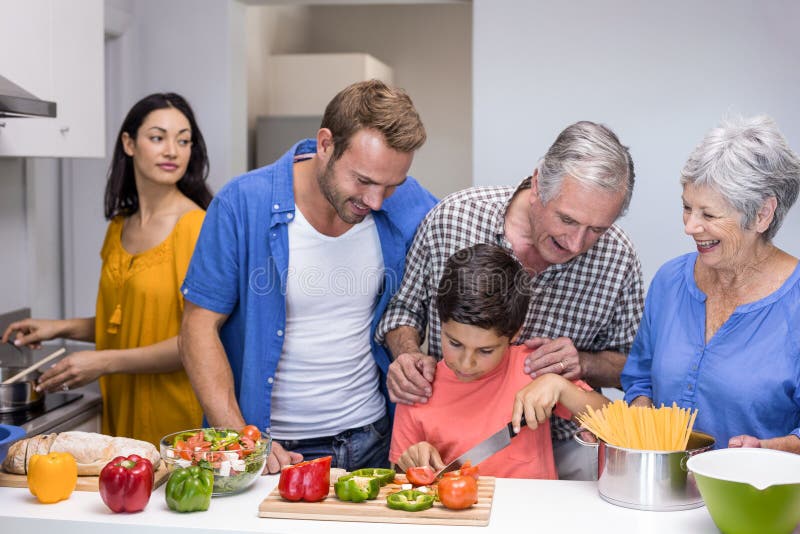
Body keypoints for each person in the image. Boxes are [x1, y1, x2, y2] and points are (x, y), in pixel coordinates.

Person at [178, 80, 438, 474]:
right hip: (273, 451)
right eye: (363, 180)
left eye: (390, 186)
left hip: (374, 442)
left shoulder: (409, 200)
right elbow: (197, 328)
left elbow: (455, 274)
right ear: (325, 145)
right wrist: (240, 442)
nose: (375, 200)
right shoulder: (242, 204)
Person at [377, 121, 644, 480]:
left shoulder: (618, 258)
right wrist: (409, 358)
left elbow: (634, 370)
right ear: (537, 186)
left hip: (570, 445)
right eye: (567, 219)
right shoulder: (454, 219)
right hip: (449, 446)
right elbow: (403, 310)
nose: (578, 243)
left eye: (597, 229)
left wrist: (577, 367)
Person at [1, 93, 213, 446]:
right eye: (158, 137)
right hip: (121, 412)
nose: (173, 151)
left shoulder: (196, 227)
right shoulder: (119, 226)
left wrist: (104, 362)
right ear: (129, 143)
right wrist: (59, 327)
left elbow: (196, 343)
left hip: (176, 422)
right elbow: (133, 322)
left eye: (184, 140)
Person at [621, 115, 800, 453]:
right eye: (687, 208)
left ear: (762, 214)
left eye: (709, 214)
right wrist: (642, 421)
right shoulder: (670, 281)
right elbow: (639, 378)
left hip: (758, 498)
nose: (690, 226)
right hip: (664, 494)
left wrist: (767, 450)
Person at [390, 244, 609, 478]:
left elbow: (614, 422)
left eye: (485, 351)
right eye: (455, 343)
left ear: (514, 334)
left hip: (535, 511)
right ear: (440, 323)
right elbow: (398, 477)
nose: (466, 363)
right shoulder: (417, 388)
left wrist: (561, 388)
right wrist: (409, 461)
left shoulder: (533, 368)